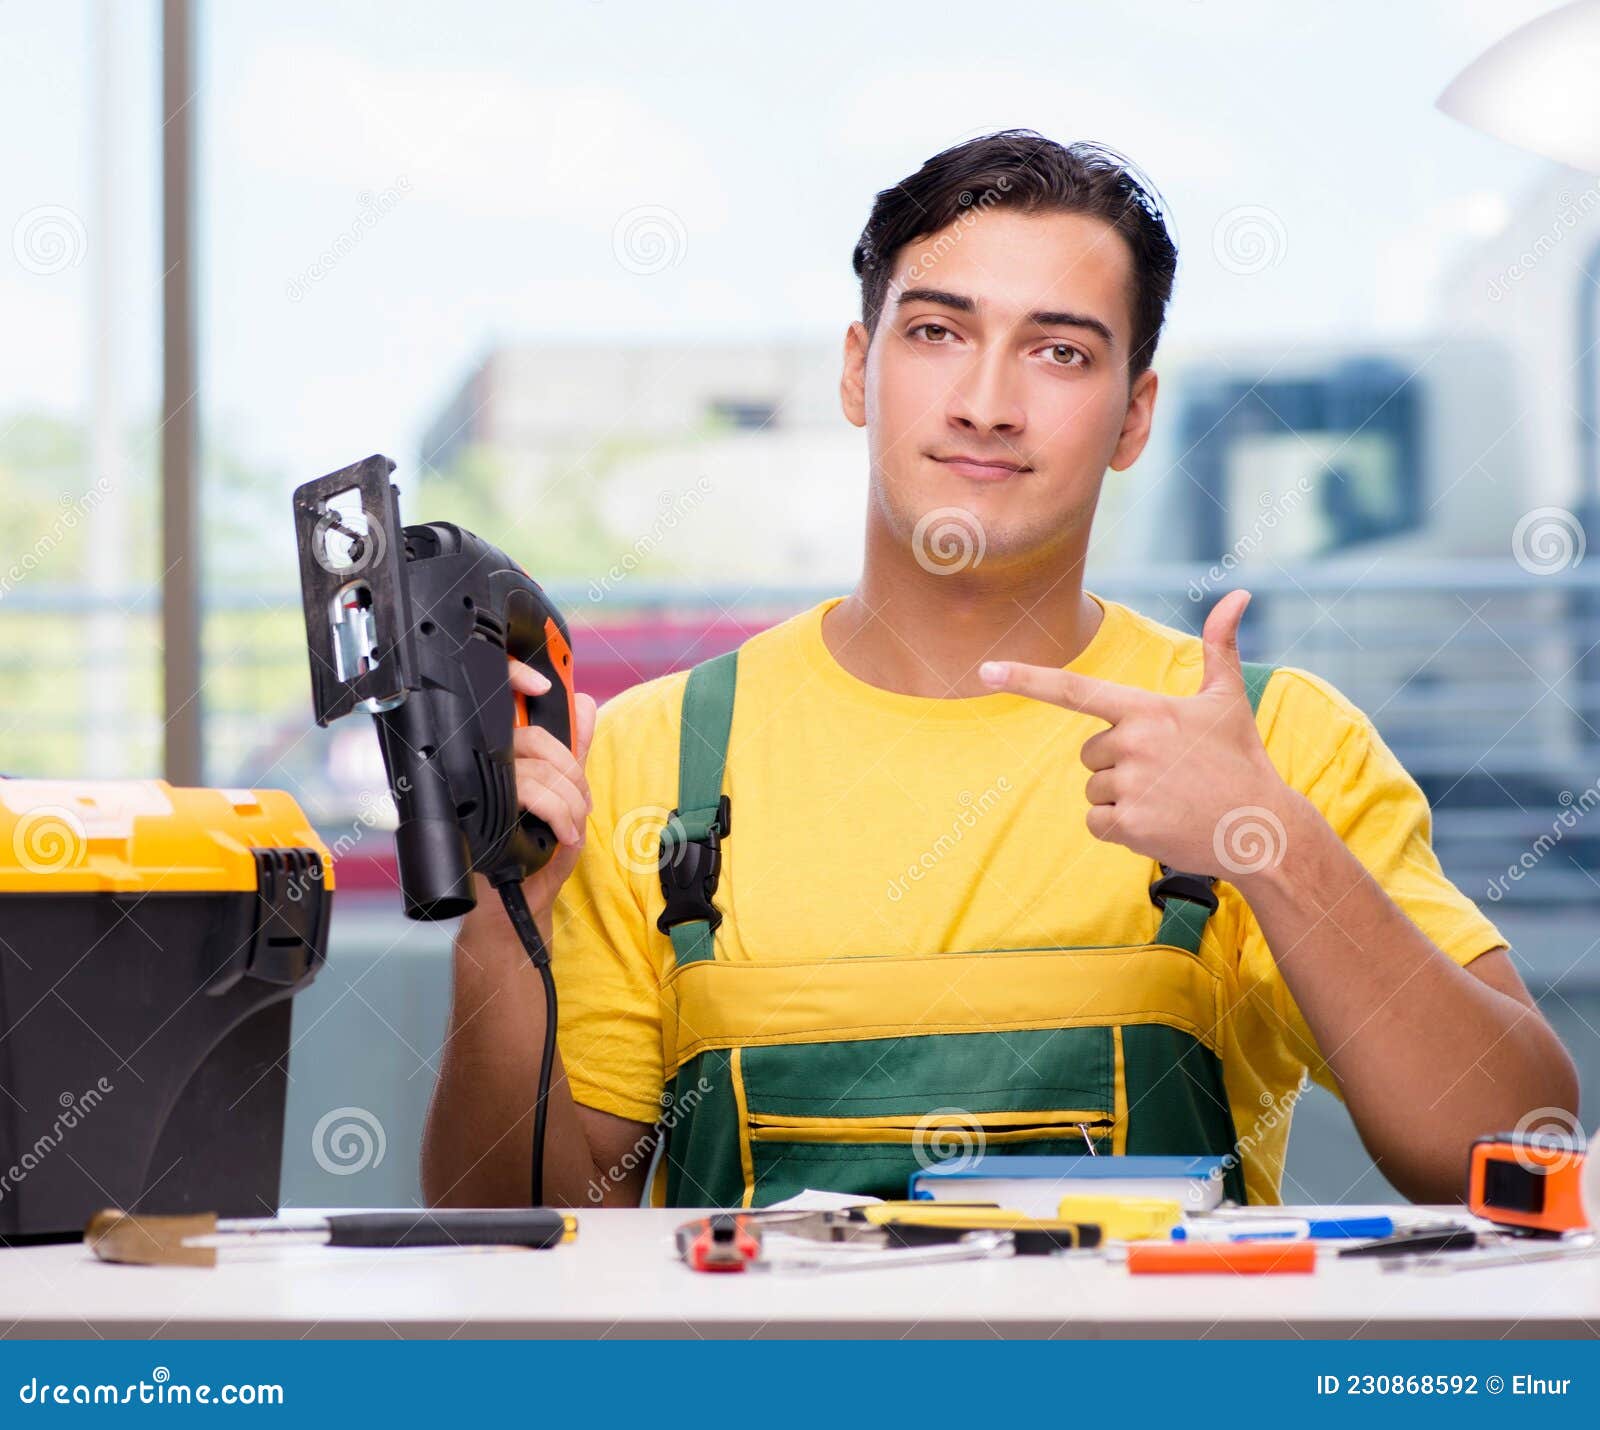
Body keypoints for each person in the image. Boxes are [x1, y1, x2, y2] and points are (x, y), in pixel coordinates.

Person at [421, 129, 1578, 1211]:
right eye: (935, 333)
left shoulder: (1271, 739)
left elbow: (1516, 1146)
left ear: (1133, 418)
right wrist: (500, 931)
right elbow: (533, 1235)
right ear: (855, 370)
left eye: (1059, 351)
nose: (985, 402)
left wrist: (1271, 842)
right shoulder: (655, 753)